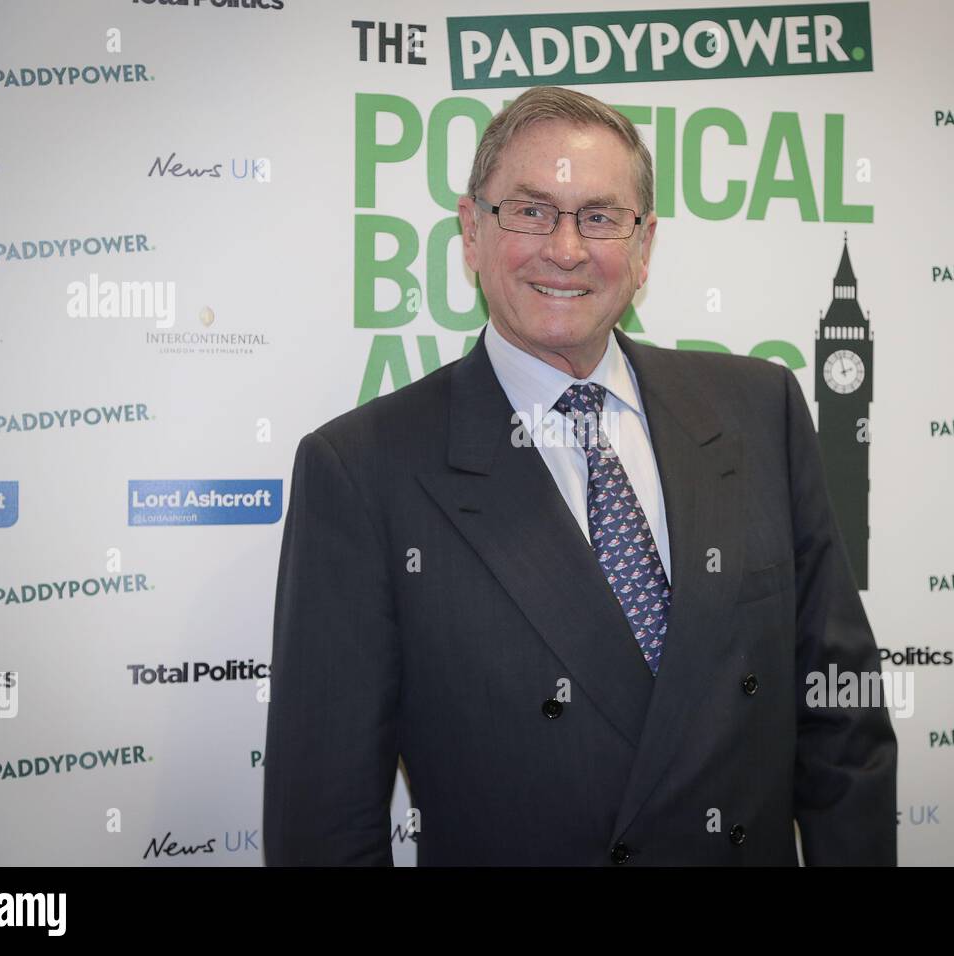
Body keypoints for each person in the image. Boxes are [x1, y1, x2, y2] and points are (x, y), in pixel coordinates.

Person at [263, 86, 896, 866]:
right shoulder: (362, 473)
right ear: (471, 231)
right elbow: (322, 825)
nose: (565, 249)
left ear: (643, 245)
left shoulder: (761, 411)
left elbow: (843, 721)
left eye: (599, 216)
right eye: (530, 211)